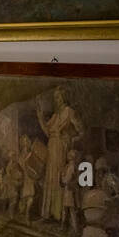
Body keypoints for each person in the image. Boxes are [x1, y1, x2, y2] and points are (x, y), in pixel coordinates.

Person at [39, 87, 83, 223]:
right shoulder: (56, 115)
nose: (56, 100)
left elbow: (81, 132)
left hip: (61, 148)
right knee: (50, 178)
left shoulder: (69, 112)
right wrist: (39, 117)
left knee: (59, 178)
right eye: (55, 98)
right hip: (51, 147)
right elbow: (47, 131)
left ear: (63, 97)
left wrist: (69, 139)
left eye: (58, 97)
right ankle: (48, 214)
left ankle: (59, 216)